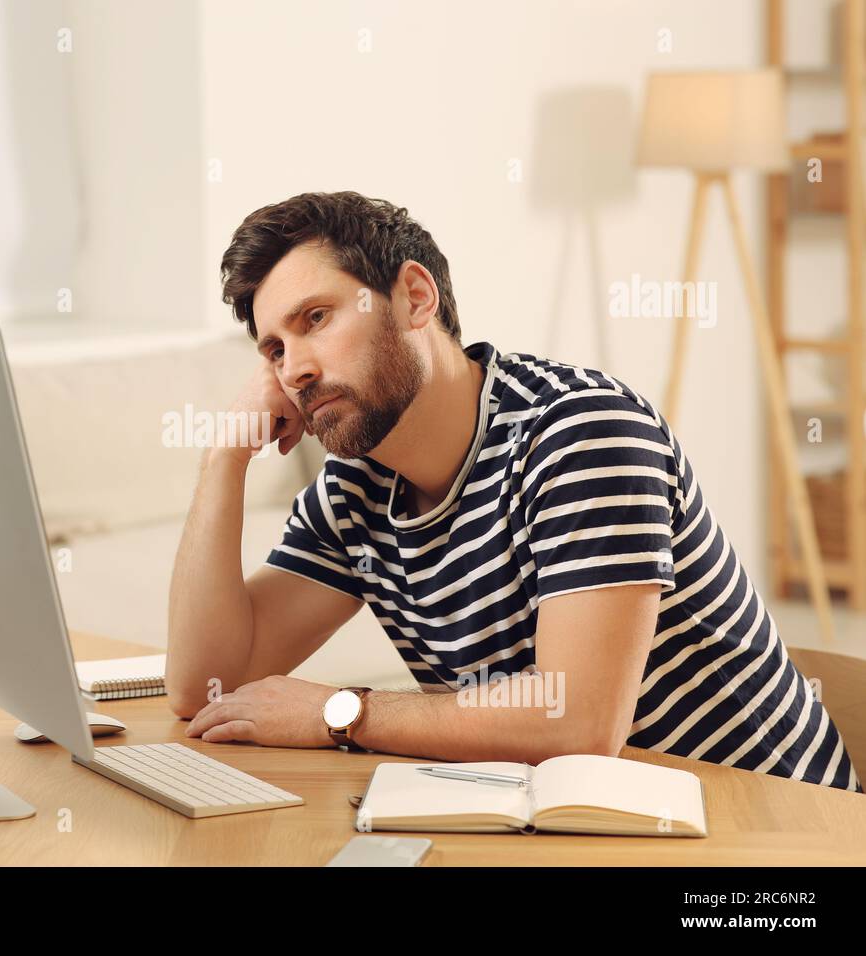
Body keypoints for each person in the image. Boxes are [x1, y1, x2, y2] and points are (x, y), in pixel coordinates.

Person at [165, 190, 860, 793]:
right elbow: (205, 688)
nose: (296, 371)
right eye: (274, 350)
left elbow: (580, 721)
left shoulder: (582, 431)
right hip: (577, 828)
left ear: (414, 297)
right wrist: (224, 457)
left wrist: (337, 712)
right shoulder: (355, 491)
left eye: (315, 319)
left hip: (769, 832)